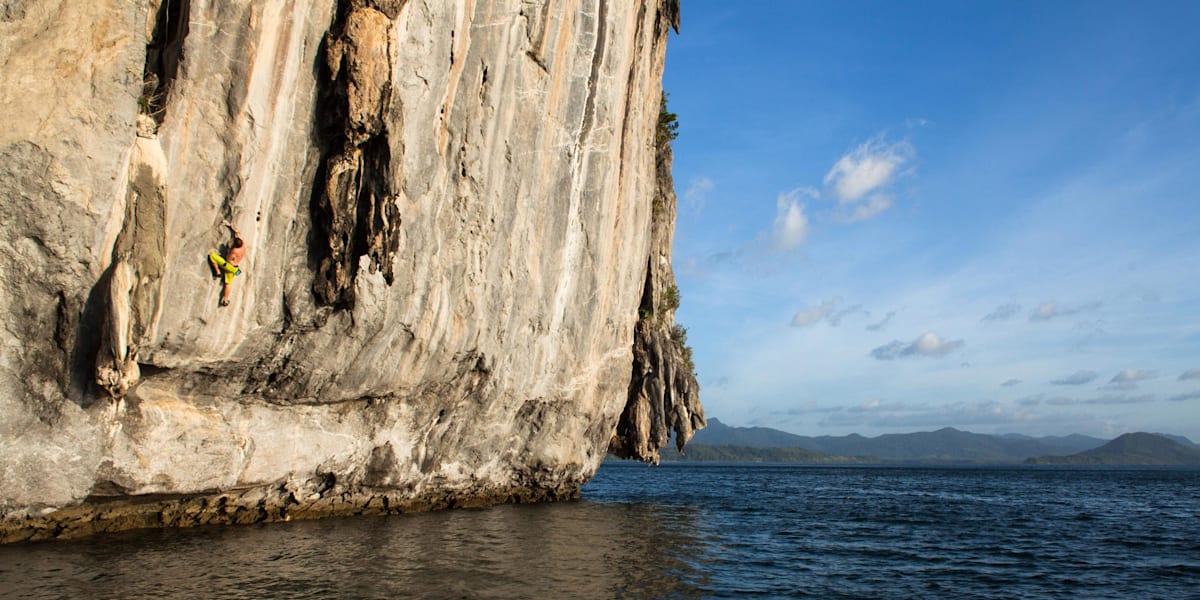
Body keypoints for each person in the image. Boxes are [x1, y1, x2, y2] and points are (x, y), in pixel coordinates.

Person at [208, 220, 246, 306]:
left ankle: (217, 272)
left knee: (212, 256)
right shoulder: (243, 244)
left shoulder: (234, 251)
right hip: (235, 268)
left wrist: (228, 250)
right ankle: (225, 299)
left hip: (229, 266)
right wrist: (228, 224)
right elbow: (237, 232)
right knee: (228, 284)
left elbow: (228, 259)